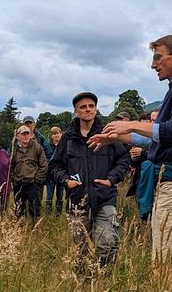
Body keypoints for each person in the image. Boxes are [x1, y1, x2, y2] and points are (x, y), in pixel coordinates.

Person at [90, 35, 172, 266]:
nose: (153, 65)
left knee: (168, 257)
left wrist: (132, 124)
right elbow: (159, 139)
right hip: (169, 180)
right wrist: (115, 137)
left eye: (158, 58)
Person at [49, 91, 132, 268]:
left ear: (96, 109)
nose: (88, 110)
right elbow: (54, 166)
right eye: (83, 107)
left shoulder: (107, 134)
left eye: (91, 106)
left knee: (108, 242)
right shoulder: (68, 139)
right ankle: (84, 279)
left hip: (104, 197)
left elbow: (124, 161)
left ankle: (105, 278)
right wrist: (66, 181)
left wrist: (111, 179)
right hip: (77, 200)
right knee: (79, 246)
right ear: (76, 111)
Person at [10, 124, 49, 219]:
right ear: (18, 135)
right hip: (19, 183)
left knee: (35, 209)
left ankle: (35, 229)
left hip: (32, 183)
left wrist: (37, 179)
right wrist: (13, 178)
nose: (26, 136)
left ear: (31, 134)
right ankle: (19, 230)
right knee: (19, 209)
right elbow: (10, 166)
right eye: (23, 134)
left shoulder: (37, 147)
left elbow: (44, 165)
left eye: (27, 133)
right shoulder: (14, 149)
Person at [44, 126, 65, 213]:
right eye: (54, 134)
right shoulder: (48, 146)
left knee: (60, 195)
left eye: (58, 133)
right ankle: (48, 214)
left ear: (61, 134)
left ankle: (58, 214)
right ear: (51, 136)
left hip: (61, 174)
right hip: (50, 175)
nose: (56, 135)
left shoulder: (64, 146)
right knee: (49, 195)